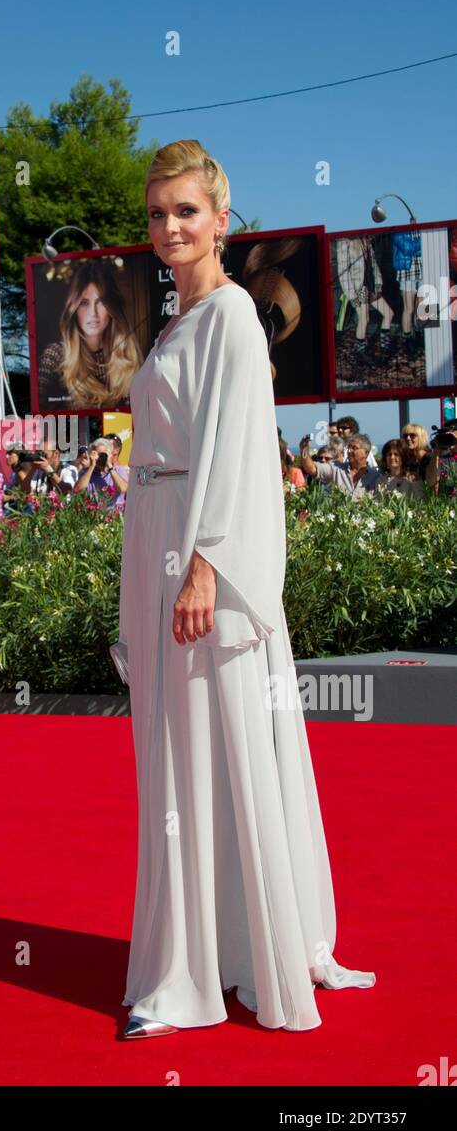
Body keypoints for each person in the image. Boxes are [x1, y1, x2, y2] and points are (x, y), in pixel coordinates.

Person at [117, 138, 375, 1038]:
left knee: (207, 757)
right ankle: (212, 953)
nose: (170, 226)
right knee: (184, 761)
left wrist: (205, 567)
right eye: (157, 213)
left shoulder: (229, 316)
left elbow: (240, 454)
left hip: (196, 556)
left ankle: (195, 981)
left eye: (186, 211)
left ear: (221, 221)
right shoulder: (178, 322)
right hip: (159, 539)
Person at [37, 259, 143, 410]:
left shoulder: (128, 355)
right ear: (74, 308)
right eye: (84, 303)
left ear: (112, 307)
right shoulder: (55, 356)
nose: (93, 313)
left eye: (101, 302)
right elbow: (37, 415)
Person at [298, 432, 380, 499]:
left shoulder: (375, 477)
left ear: (366, 453)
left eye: (354, 448)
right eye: (348, 448)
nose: (349, 451)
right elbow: (312, 469)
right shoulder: (336, 468)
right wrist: (304, 449)